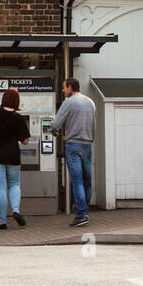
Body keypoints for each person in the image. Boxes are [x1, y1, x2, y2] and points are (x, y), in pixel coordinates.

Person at [0, 87, 31, 229]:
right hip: (13, 155)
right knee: (15, 184)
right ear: (17, 101)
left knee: (0, 188)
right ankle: (16, 211)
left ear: (4, 98)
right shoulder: (19, 118)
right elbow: (26, 141)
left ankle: (2, 221)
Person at [50, 77, 96, 227]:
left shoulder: (69, 102)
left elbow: (56, 123)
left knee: (77, 180)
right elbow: (93, 124)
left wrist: (54, 131)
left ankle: (81, 214)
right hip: (87, 145)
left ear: (70, 87)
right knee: (87, 179)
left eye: (64, 88)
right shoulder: (90, 102)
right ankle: (83, 209)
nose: (63, 91)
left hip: (73, 145)